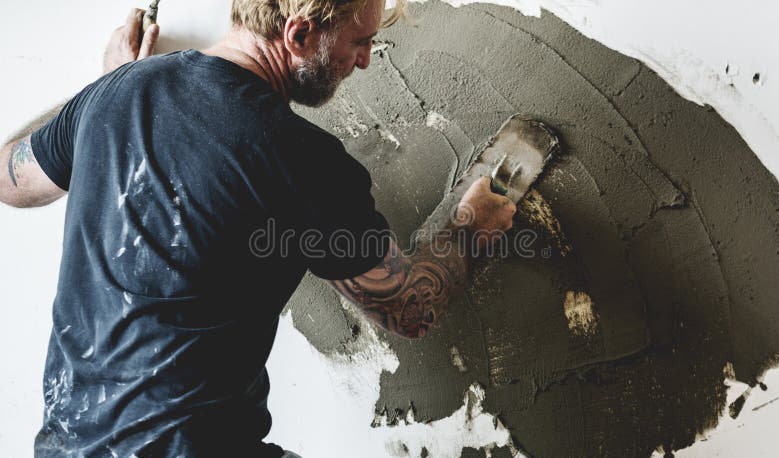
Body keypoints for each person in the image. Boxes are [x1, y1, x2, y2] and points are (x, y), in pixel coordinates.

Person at [0, 0, 516, 456]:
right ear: (298, 35)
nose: (364, 59)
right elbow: (408, 309)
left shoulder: (111, 95)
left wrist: (108, 84)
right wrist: (471, 228)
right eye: (359, 42)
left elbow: (9, 179)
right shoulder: (301, 159)